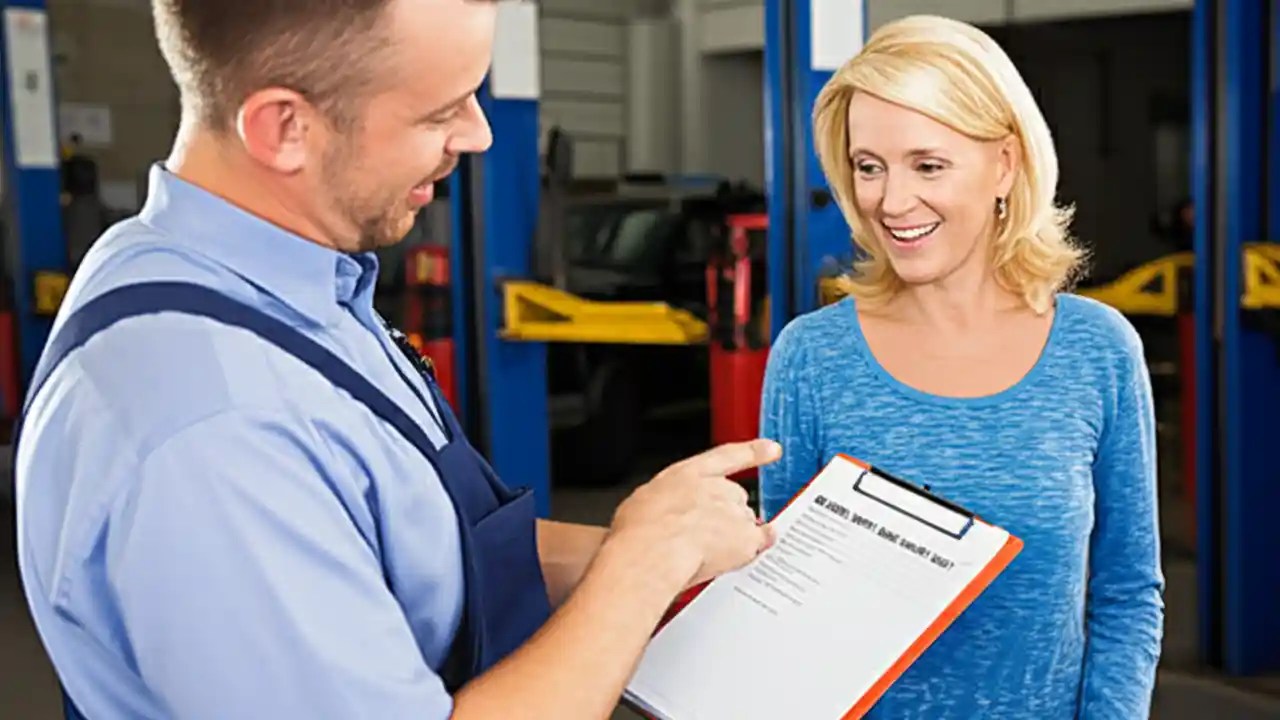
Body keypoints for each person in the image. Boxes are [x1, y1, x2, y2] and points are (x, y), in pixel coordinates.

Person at [13, 2, 778, 718]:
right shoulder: (212, 436)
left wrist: (662, 546)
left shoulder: (257, 277)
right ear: (284, 128)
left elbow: (423, 553)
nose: (479, 134)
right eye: (442, 110)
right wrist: (639, 571)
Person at [759, 14, 1164, 719]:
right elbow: (784, 601)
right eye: (868, 166)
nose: (891, 201)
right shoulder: (811, 358)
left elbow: (1127, 593)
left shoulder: (1097, 351)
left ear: (1004, 164)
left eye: (928, 164)